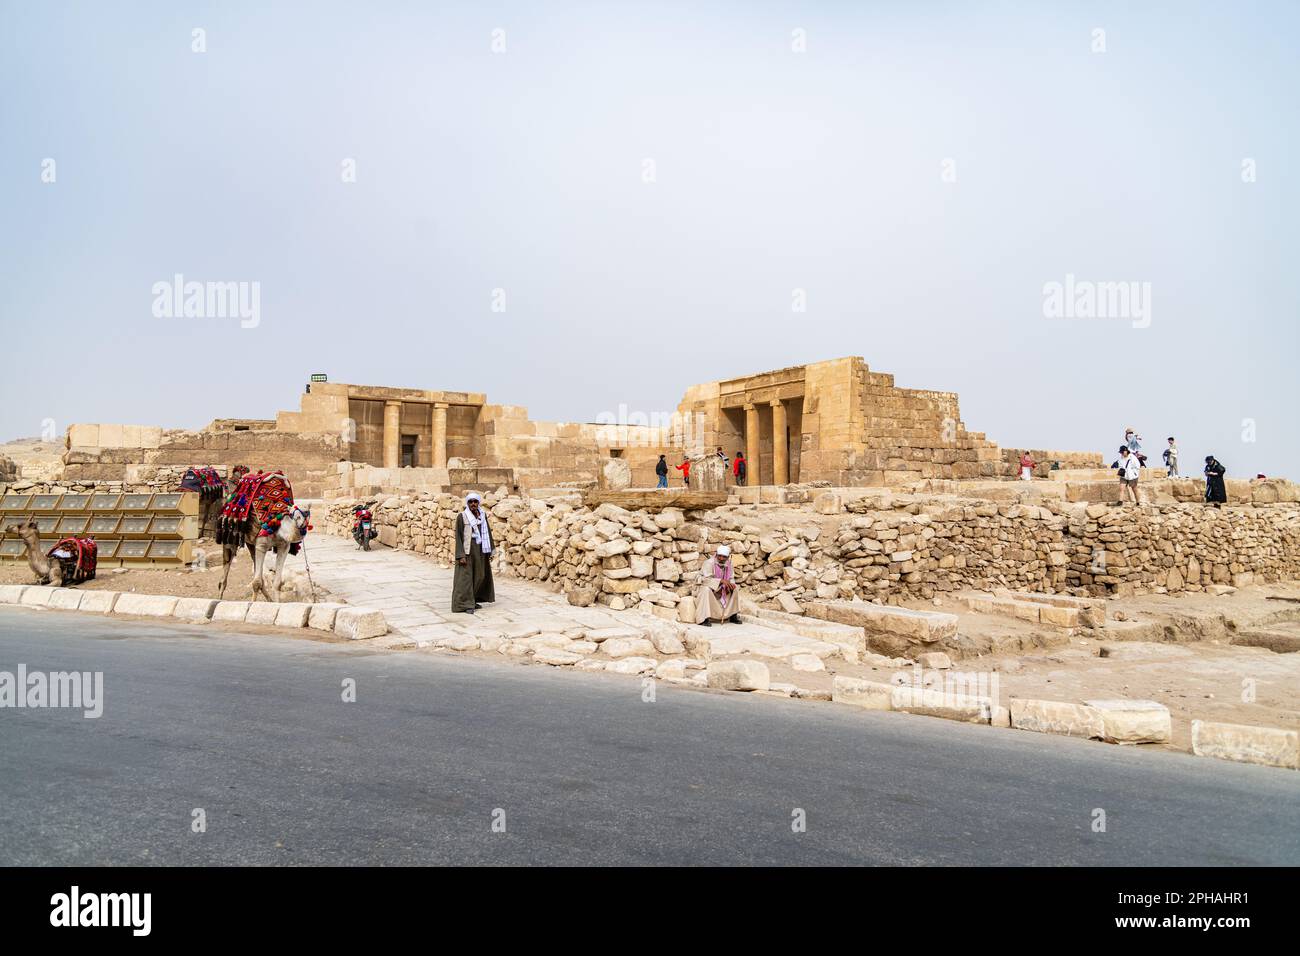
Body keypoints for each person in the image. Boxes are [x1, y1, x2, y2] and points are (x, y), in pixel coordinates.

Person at [452, 492, 495, 613]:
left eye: (475, 501)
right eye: (470, 502)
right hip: (467, 552)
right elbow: (459, 536)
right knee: (465, 579)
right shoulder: (462, 517)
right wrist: (461, 555)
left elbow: (487, 533)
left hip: (481, 551)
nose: (473, 504)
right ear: (467, 503)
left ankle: (473, 600)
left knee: (479, 576)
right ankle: (464, 605)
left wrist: (490, 550)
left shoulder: (482, 515)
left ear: (478, 503)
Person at [695, 544, 742, 626]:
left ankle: (732, 615)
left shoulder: (729, 564)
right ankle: (704, 619)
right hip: (709, 588)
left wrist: (731, 585)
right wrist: (720, 581)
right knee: (706, 590)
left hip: (722, 589)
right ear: (716, 555)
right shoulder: (709, 563)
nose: (721, 558)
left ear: (727, 557)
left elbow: (731, 578)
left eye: (724, 557)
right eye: (719, 556)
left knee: (735, 589)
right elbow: (705, 580)